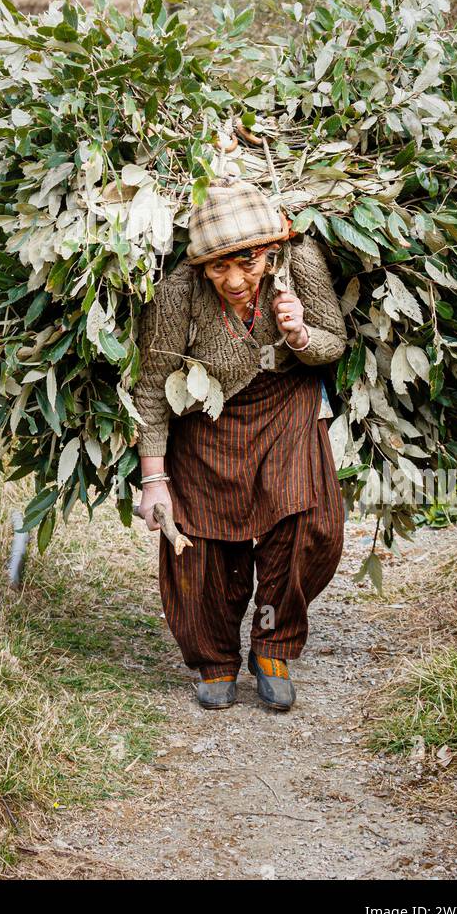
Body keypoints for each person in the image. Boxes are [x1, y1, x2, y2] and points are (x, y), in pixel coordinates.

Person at [135, 178, 347, 712]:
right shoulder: (178, 293)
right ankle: (216, 658)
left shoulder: (300, 261)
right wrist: (154, 480)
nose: (233, 279)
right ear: (200, 265)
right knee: (204, 539)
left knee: (304, 524)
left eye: (248, 264)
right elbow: (152, 388)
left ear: (271, 251)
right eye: (218, 267)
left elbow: (333, 342)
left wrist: (300, 336)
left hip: (286, 404)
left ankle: (272, 644)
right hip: (208, 419)